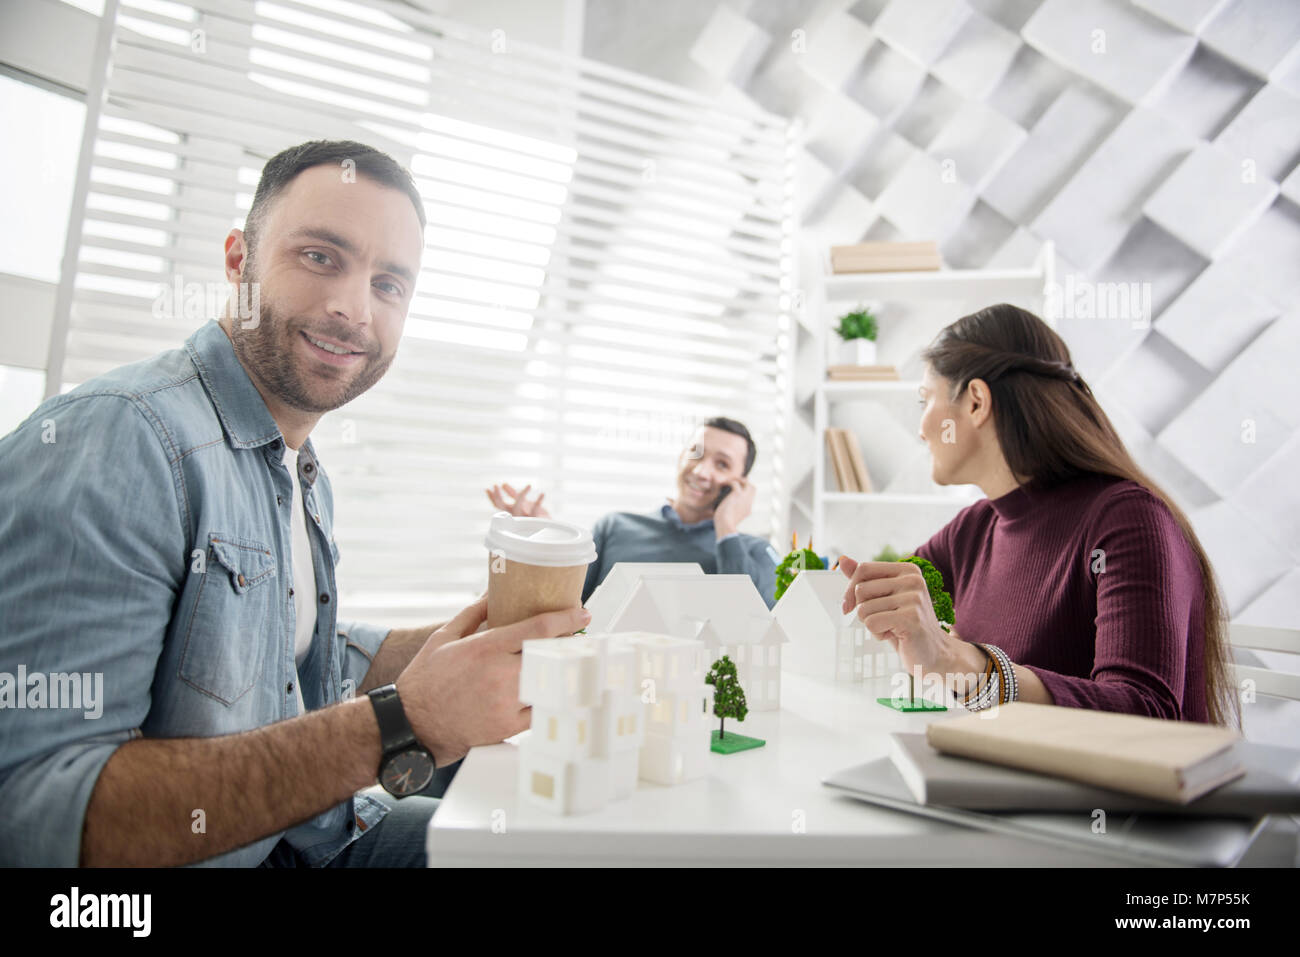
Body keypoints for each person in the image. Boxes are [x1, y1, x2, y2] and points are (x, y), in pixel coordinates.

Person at [0, 140, 588, 868]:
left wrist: (483, 634)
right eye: (320, 257)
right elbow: (37, 818)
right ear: (237, 259)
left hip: (317, 834)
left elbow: (291, 654)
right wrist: (404, 720)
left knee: (559, 839)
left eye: (390, 284)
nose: (353, 309)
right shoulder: (121, 439)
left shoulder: (297, 466)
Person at [837, 303, 1238, 726]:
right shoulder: (974, 529)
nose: (921, 428)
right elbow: (897, 607)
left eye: (926, 400)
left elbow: (1143, 711)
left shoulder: (1128, 520)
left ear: (975, 402)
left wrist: (962, 663)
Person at [487, 418, 782, 608]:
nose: (702, 471)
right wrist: (548, 540)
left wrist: (726, 525)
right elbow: (564, 605)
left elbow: (752, 627)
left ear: (741, 484)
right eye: (696, 453)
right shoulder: (615, 526)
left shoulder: (754, 552)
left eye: (722, 465)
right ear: (681, 457)